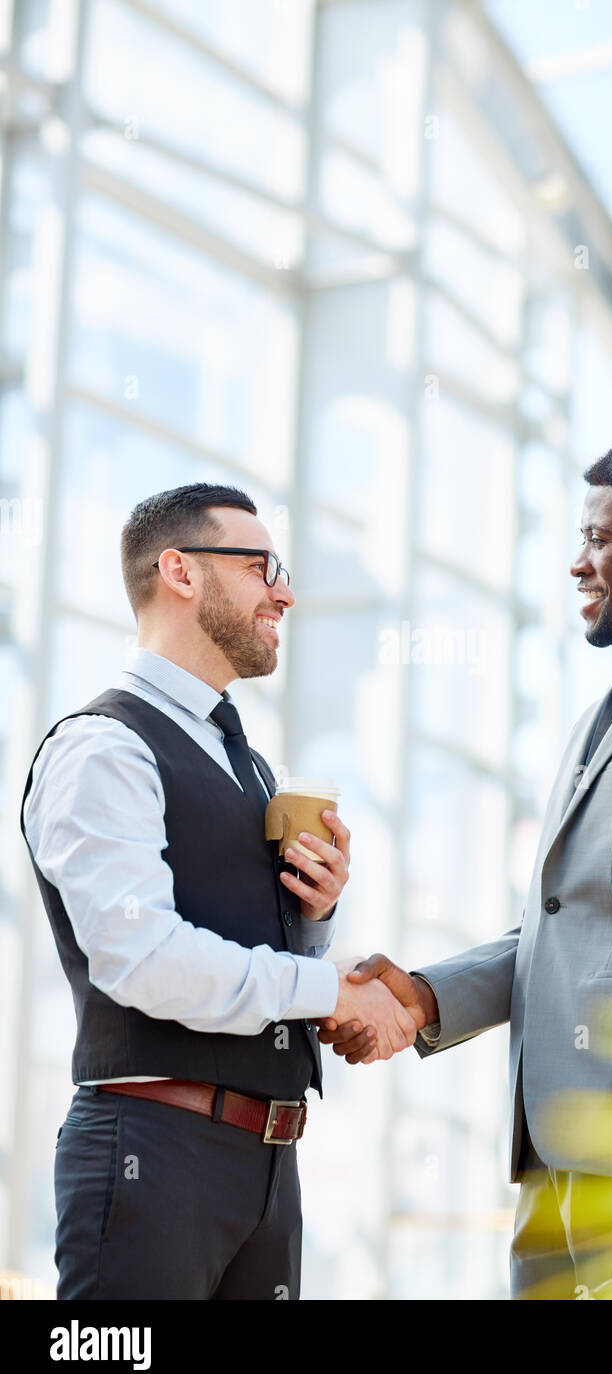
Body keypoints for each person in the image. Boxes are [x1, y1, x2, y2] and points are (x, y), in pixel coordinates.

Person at [320, 435, 612, 1300]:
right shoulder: (601, 715)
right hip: (553, 1154)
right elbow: (566, 925)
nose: (577, 564)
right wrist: (429, 995)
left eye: (596, 539)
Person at [21, 482, 416, 1300]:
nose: (286, 591)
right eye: (261, 565)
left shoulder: (247, 761)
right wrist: (327, 989)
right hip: (154, 1159)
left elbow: (245, 947)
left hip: (267, 1165)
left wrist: (313, 916)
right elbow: (143, 960)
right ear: (180, 572)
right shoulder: (105, 748)